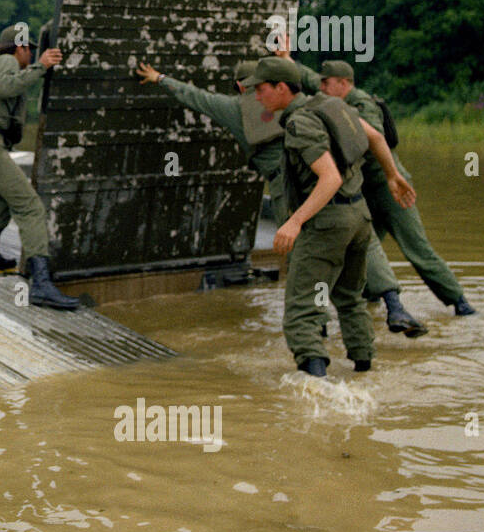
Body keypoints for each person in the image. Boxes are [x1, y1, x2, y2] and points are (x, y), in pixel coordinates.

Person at [135, 56, 428, 336]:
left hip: (287, 191)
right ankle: (394, 306)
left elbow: (194, 97)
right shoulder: (308, 103)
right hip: (332, 179)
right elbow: (372, 136)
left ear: (241, 86)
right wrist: (392, 174)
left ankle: (317, 325)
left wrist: (158, 78)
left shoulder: (235, 109)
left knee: (306, 259)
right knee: (366, 246)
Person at [246, 56, 416, 376]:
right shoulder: (331, 105)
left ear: (282, 88)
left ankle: (316, 386)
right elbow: (376, 138)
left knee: (300, 311)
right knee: (350, 298)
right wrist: (392, 176)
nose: (257, 97)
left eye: (262, 89)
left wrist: (295, 222)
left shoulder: (300, 123)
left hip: (328, 222)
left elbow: (330, 178)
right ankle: (364, 371)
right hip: (359, 217)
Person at [316, 60, 476, 317]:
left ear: (343, 83)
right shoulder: (338, 104)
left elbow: (371, 141)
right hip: (366, 192)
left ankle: (460, 301)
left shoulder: (361, 105)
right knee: (362, 250)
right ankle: (371, 298)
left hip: (391, 188)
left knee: (417, 248)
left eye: (326, 82)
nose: (321, 87)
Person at [0, 23, 80, 310]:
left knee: (7, 195)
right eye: (30, 51)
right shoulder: (5, 63)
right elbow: (7, 88)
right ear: (21, 48)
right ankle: (41, 284)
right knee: (30, 206)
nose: (30, 55)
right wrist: (40, 67)